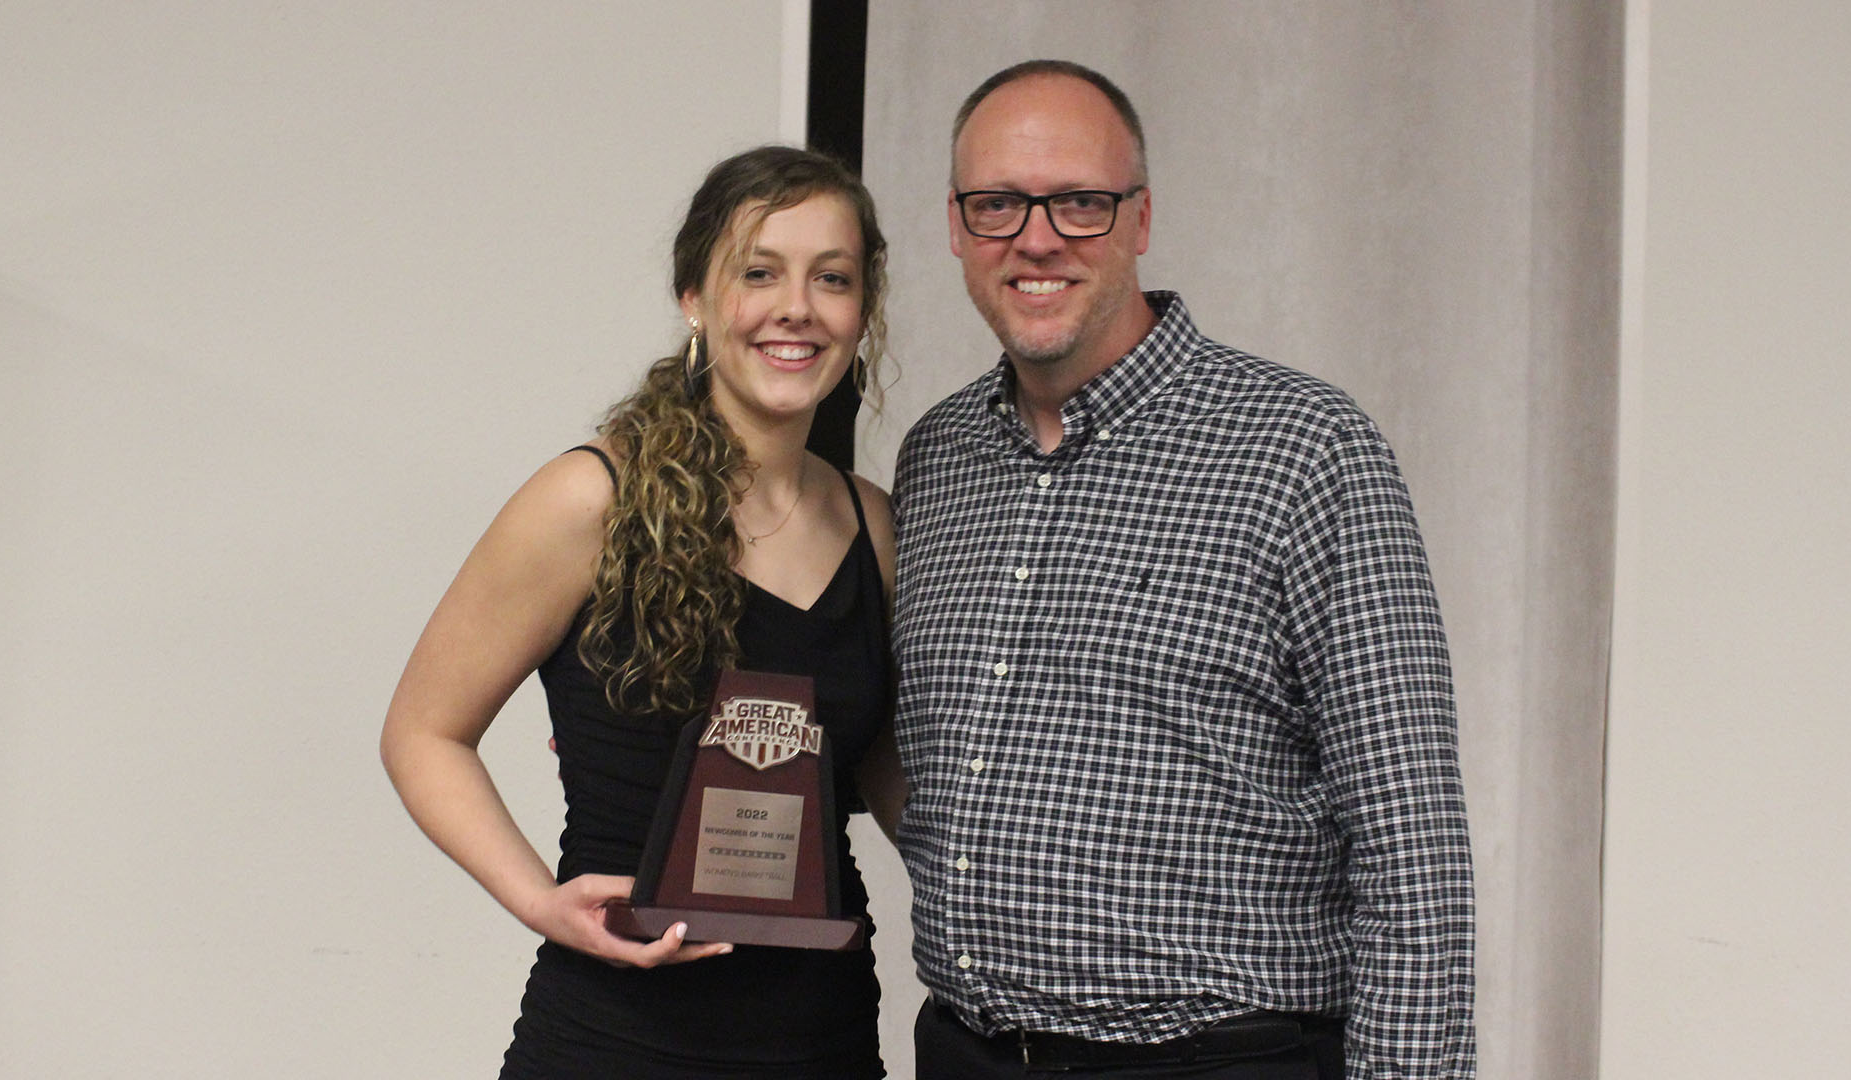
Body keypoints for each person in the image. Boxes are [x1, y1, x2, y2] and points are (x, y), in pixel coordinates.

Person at [890, 61, 1475, 1079]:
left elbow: (1412, 852)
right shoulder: (937, 460)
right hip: (967, 1052)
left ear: (1141, 218)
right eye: (998, 204)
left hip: (1220, 1059)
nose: (1036, 238)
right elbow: (916, 761)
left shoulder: (1304, 449)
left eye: (1080, 201)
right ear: (955, 224)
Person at [380, 145, 904, 1079]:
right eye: (759, 272)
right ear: (695, 298)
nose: (798, 307)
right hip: (616, 1038)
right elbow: (422, 733)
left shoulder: (874, 525)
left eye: (832, 278)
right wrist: (542, 902)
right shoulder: (592, 501)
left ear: (861, 311)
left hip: (821, 1041)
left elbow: (887, 776)